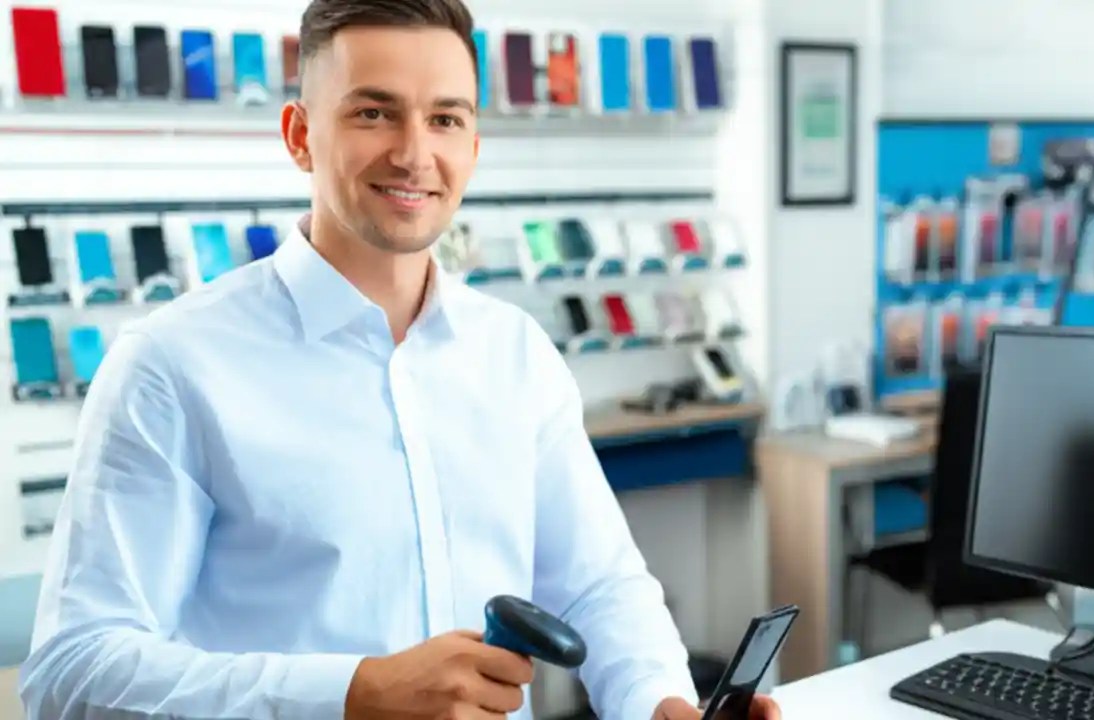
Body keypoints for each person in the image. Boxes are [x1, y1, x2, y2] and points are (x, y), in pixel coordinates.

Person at [18, 1, 784, 719]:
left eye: (445, 118)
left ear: (473, 148)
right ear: (299, 135)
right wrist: (349, 694)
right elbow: (70, 670)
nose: (415, 153)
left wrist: (662, 703)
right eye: (373, 112)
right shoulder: (172, 365)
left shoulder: (515, 353)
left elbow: (601, 585)